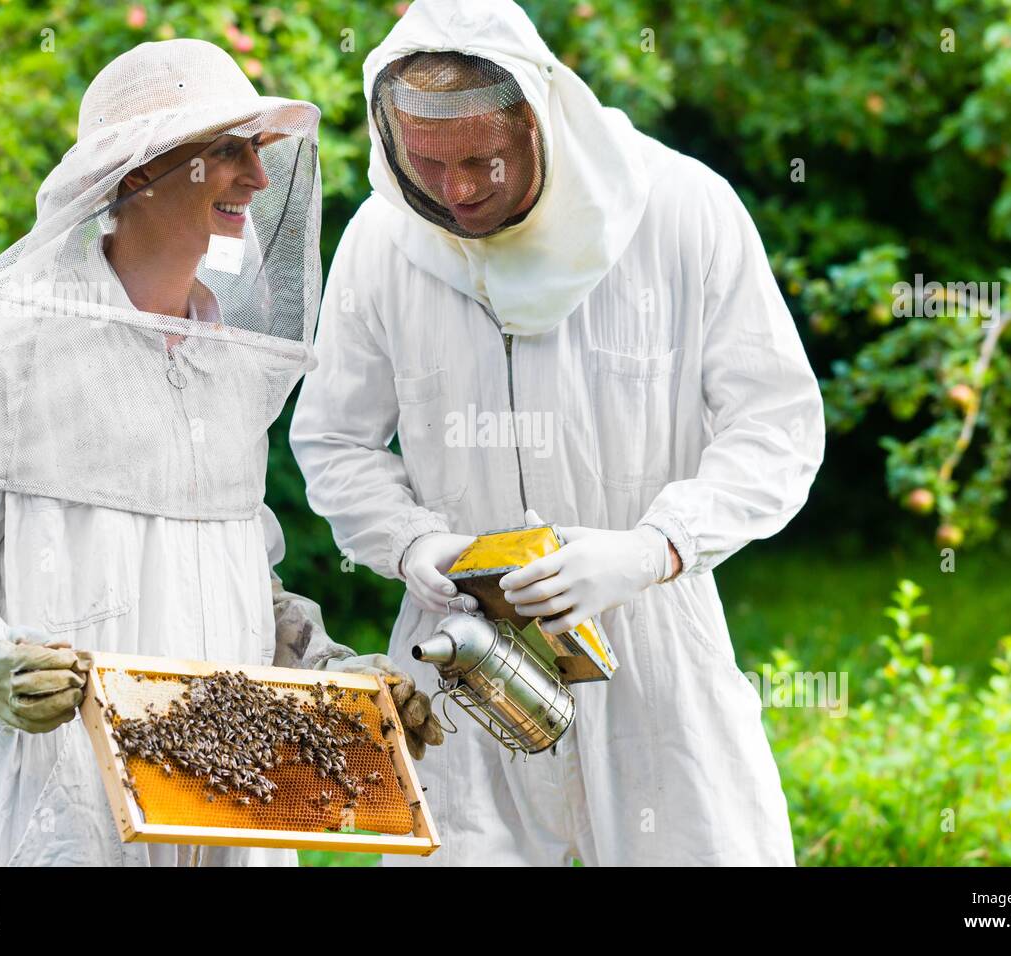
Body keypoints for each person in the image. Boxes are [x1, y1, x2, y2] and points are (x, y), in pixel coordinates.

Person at [0, 38, 440, 868]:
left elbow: (235, 576)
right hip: (64, 801)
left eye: (259, 149)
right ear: (133, 173)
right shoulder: (7, 345)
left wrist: (334, 676)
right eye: (225, 151)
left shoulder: (226, 354)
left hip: (236, 812)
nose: (256, 176)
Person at [289, 0, 826, 866]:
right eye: (427, 164)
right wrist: (411, 541)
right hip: (458, 647)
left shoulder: (681, 210)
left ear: (539, 120)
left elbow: (777, 425)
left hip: (649, 640)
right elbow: (335, 440)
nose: (456, 192)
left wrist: (654, 549)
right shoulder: (382, 244)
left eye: (482, 162)